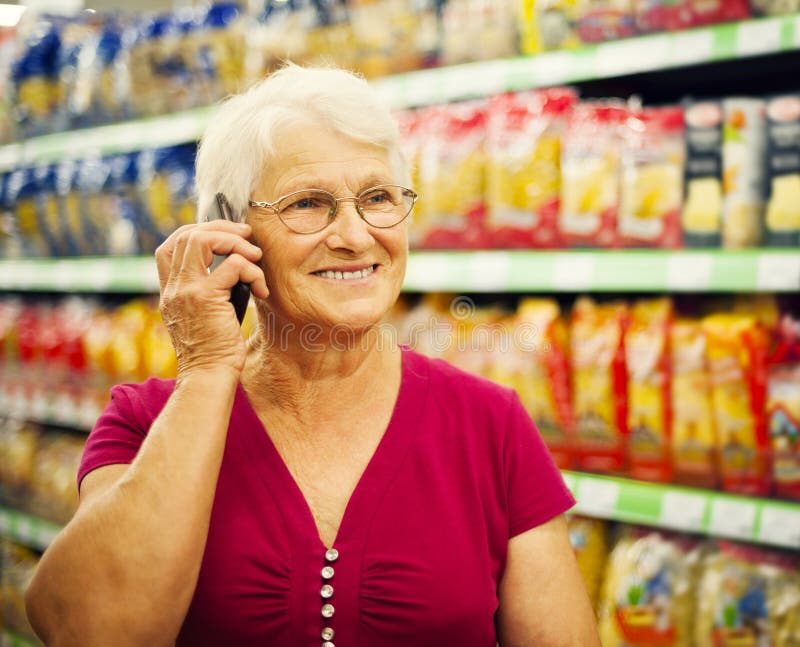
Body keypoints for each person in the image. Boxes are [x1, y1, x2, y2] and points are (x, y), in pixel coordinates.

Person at [25, 63, 600, 647]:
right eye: (308, 204)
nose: (354, 236)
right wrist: (205, 371)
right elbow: (89, 630)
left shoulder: (488, 425)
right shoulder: (145, 423)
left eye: (377, 197)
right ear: (226, 228)